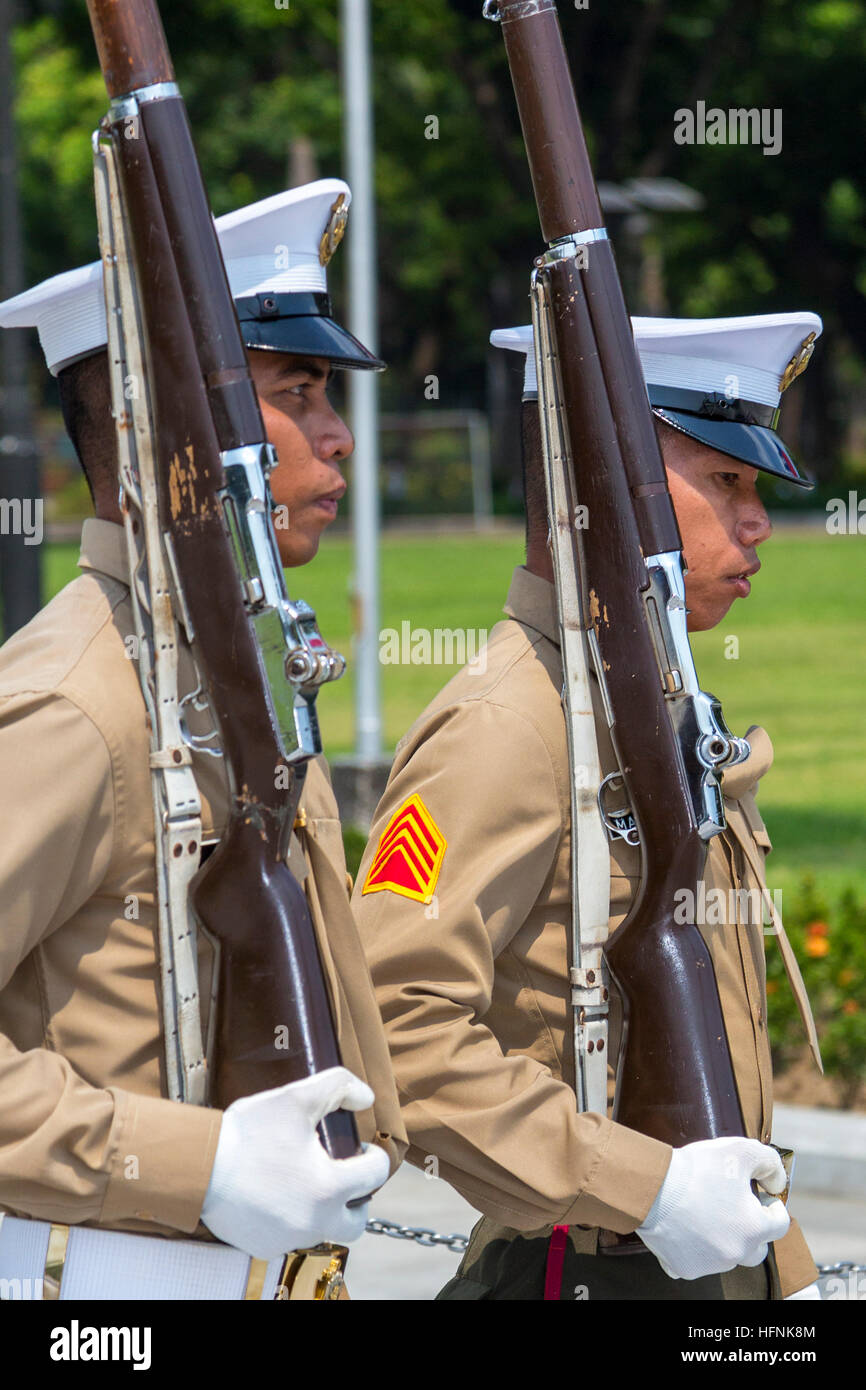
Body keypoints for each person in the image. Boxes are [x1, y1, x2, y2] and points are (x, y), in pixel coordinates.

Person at [352, 313, 824, 1301]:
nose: (756, 524)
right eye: (724, 481)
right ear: (613, 489)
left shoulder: (646, 704)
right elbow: (398, 1025)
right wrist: (644, 1190)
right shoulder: (506, 724)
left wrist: (784, 1272)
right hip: (584, 1267)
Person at [0, 180, 405, 1301]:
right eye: (295, 392)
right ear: (159, 431)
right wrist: (199, 1162)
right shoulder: (80, 702)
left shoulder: (230, 674)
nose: (337, 436)